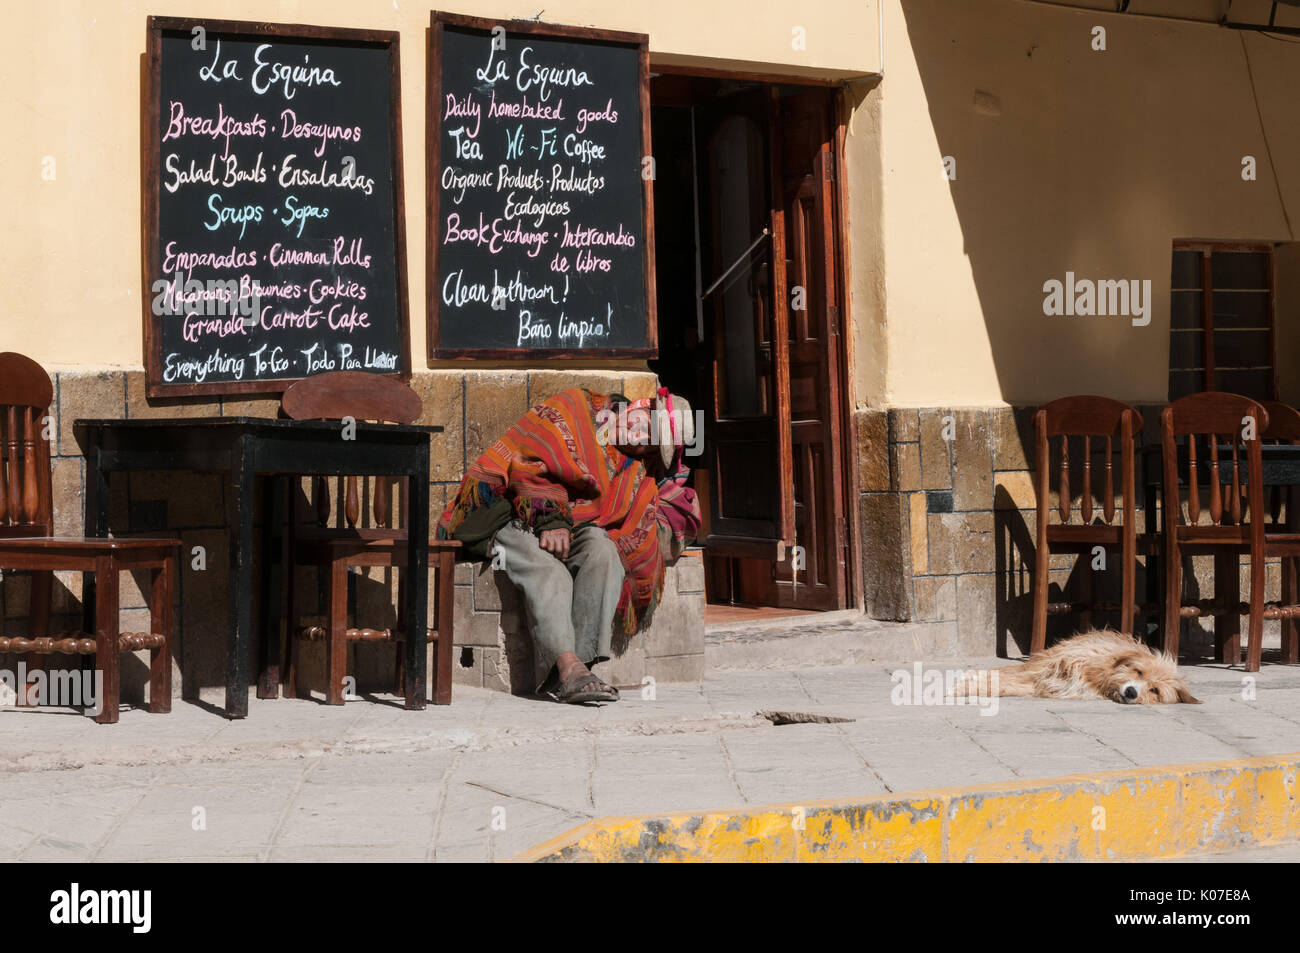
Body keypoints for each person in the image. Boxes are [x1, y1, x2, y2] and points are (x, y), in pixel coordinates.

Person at [437, 386, 701, 703]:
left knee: (604, 553)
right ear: (641, 406)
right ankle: (568, 667)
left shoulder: (632, 469)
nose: (638, 437)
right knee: (548, 570)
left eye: (649, 444)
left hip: (574, 523)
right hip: (508, 510)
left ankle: (577, 670)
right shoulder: (575, 406)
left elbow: (621, 516)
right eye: (646, 425)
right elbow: (529, 460)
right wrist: (550, 518)